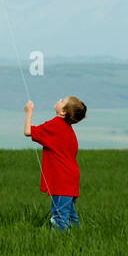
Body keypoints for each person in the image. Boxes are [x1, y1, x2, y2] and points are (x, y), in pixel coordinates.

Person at [24, 96, 87, 231]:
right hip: (71, 177)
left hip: (62, 178)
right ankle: (78, 238)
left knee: (59, 216)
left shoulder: (56, 125)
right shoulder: (67, 128)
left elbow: (28, 131)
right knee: (70, 214)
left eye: (62, 101)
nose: (59, 99)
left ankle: (60, 243)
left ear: (63, 112)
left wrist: (29, 111)